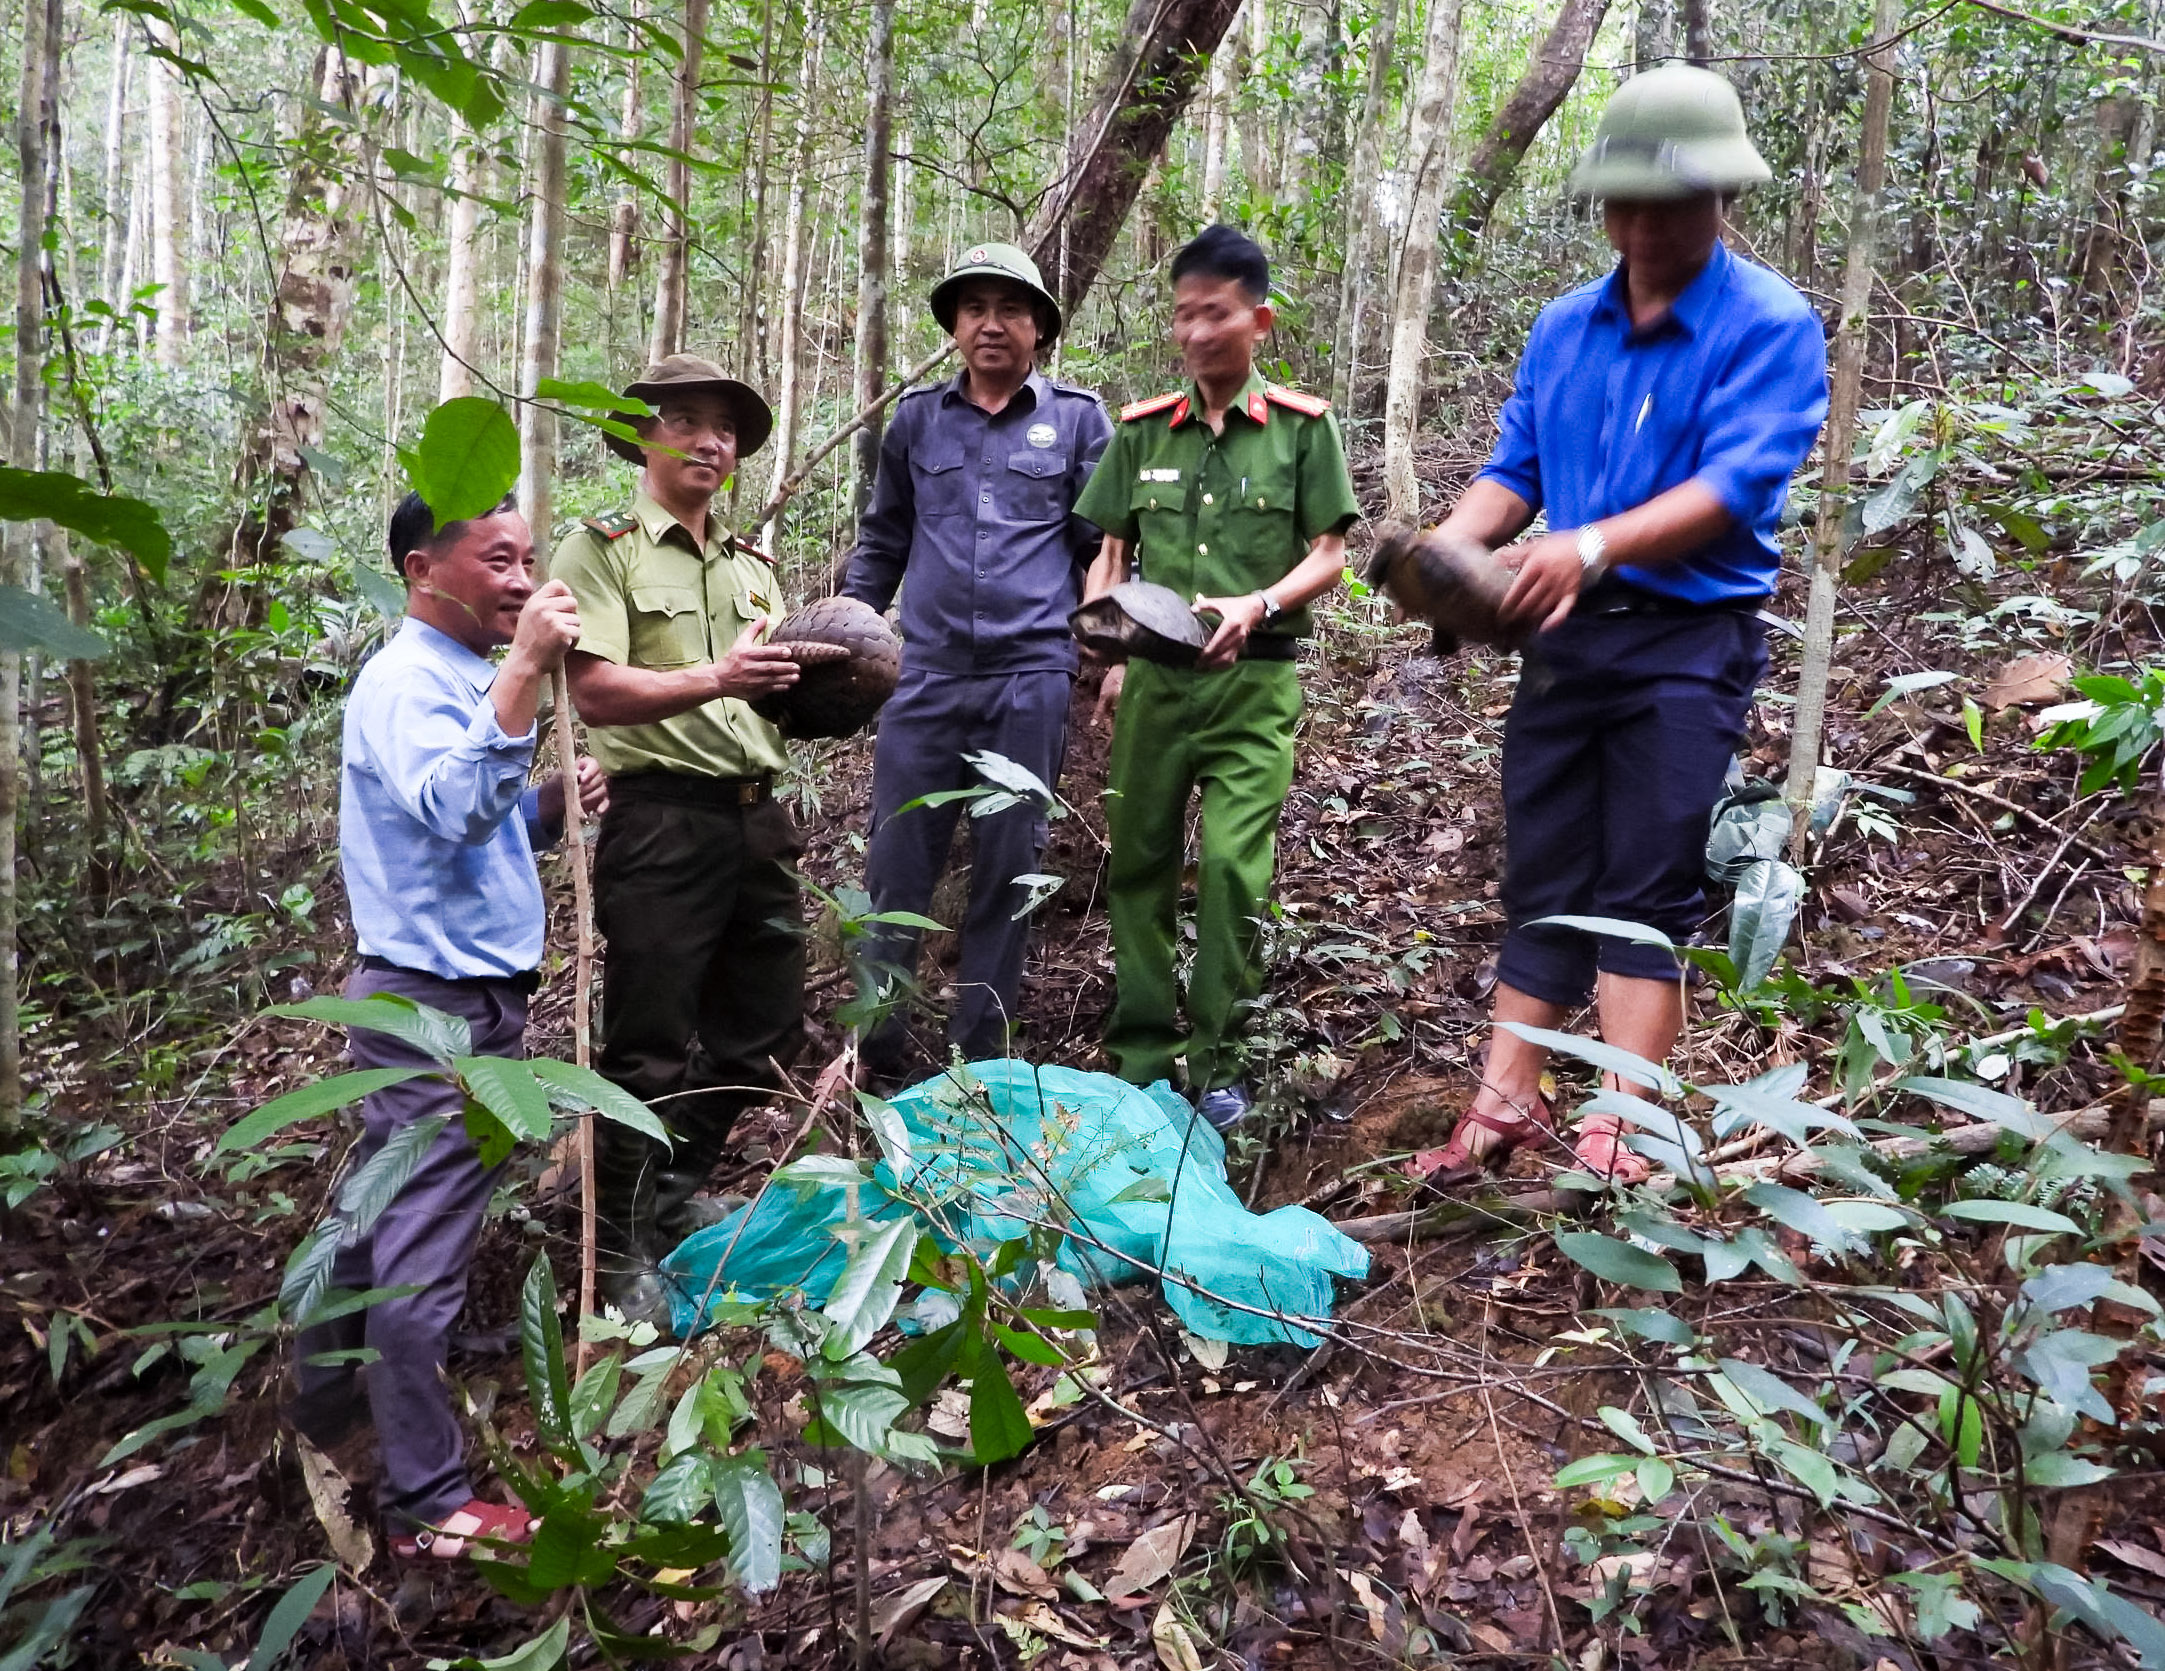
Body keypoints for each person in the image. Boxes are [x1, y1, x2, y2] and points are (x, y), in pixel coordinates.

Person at [1413, 64, 1828, 1185]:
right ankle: (1506, 1102)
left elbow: (1737, 482)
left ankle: (1622, 1121)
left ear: (1719, 198)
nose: (1642, 224)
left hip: (1689, 643)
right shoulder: (1562, 328)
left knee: (1643, 876)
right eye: (1624, 201)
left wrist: (1589, 544)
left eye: (1670, 200)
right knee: (1542, 868)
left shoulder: (1769, 323)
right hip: (1563, 638)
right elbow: (1515, 467)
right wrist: (1459, 551)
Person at [289, 489, 606, 1559]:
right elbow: (448, 806)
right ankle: (430, 1499)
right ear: (423, 569)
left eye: (527, 560)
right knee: (420, 1244)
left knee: (386, 1208)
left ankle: (320, 1395)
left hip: (466, 996)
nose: (520, 579)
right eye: (497, 560)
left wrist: (553, 799)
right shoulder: (404, 681)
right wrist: (522, 670)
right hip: (428, 1010)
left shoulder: (461, 677)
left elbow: (481, 817)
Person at [1073, 225, 1361, 1130]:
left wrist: (1259, 605)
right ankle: (1144, 1052)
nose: (1196, 333)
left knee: (1236, 866)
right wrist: (1106, 647)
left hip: (1255, 683)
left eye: (1216, 314)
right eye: (1184, 315)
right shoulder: (1139, 431)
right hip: (1156, 688)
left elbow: (1329, 555)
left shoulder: (1301, 434)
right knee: (1141, 866)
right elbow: (1111, 553)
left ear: (1258, 319)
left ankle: (1220, 1058)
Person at [551, 355, 805, 1323]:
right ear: (644, 436)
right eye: (689, 422)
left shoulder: (752, 569)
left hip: (754, 816)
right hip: (658, 817)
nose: (710, 440)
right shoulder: (602, 550)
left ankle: (667, 1186)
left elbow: (778, 689)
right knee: (648, 1042)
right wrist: (718, 678)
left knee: (766, 1028)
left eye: (726, 429)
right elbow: (596, 687)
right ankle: (613, 1251)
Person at [842, 244, 1112, 1076]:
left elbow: (1102, 545)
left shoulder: (1077, 419)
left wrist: (1107, 652)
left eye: (1009, 308)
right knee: (896, 866)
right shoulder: (918, 421)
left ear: (1039, 326)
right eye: (972, 308)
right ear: (954, 326)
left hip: (1029, 676)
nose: (990, 323)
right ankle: (877, 1056)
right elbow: (884, 537)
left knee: (1007, 866)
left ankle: (978, 1063)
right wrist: (844, 629)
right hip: (922, 677)